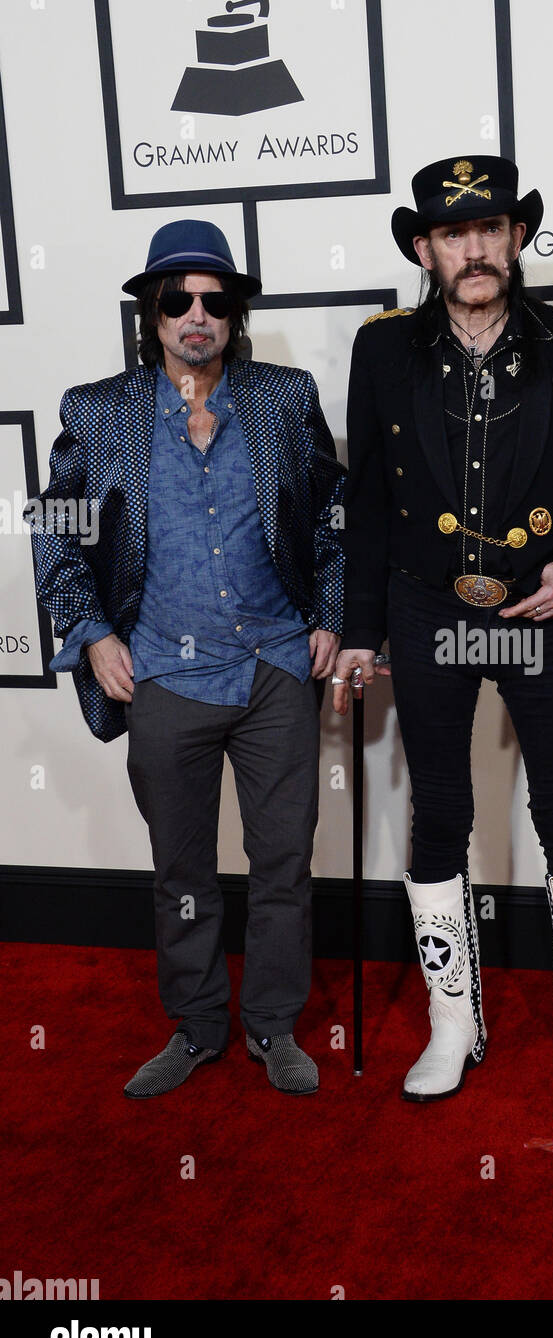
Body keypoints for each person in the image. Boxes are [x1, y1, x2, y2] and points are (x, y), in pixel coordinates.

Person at [335, 155, 553, 1106]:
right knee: (442, 811)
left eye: (491, 230)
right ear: (425, 249)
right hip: (424, 606)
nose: (475, 249)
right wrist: (358, 631)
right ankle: (451, 1021)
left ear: (517, 239)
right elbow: (369, 506)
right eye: (455, 234)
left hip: (534, 610)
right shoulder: (380, 350)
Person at [29, 220, 344, 1098]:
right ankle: (200, 1023)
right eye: (178, 299)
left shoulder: (283, 397)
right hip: (163, 674)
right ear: (152, 313)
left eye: (214, 300)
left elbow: (333, 517)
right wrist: (92, 633)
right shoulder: (97, 412)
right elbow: (57, 533)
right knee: (183, 870)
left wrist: (329, 615)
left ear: (234, 315)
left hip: (275, 668)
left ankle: (274, 1026)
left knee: (284, 863)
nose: (196, 315)